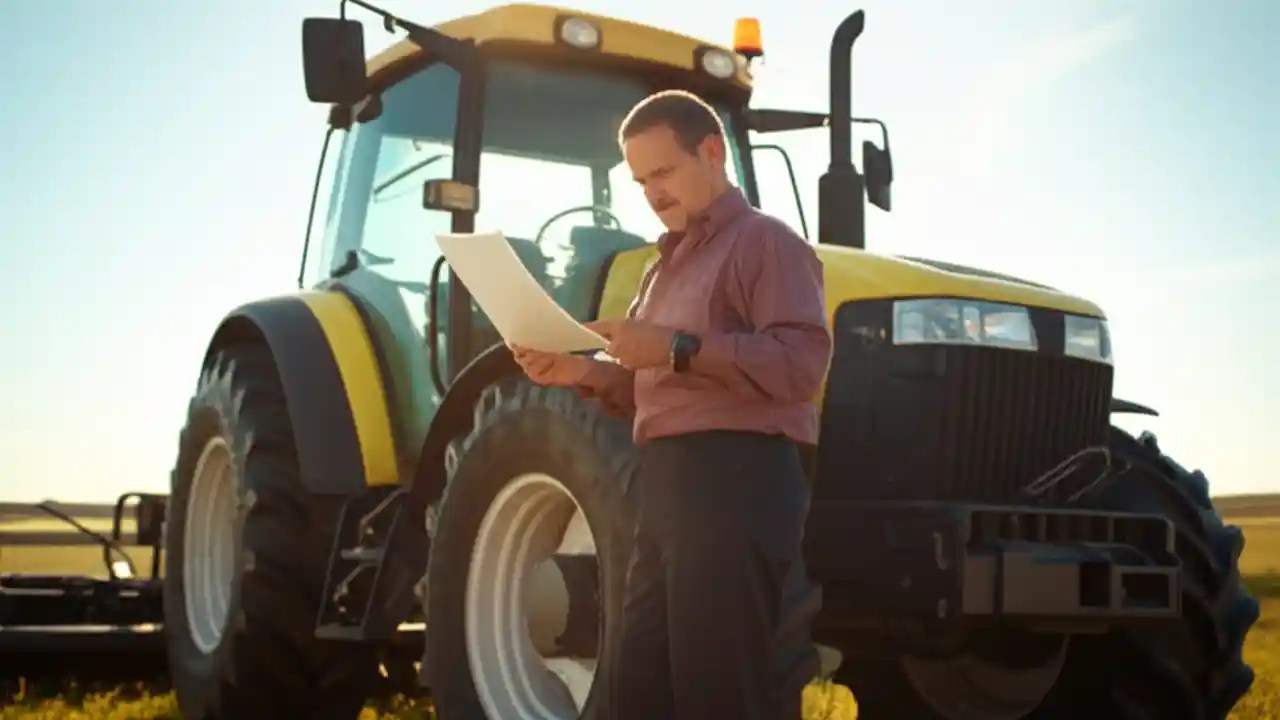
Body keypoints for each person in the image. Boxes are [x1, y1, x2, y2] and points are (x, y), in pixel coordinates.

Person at [509, 89, 833, 719]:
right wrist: (576, 369)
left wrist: (675, 345)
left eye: (663, 172)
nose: (652, 193)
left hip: (735, 480)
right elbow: (649, 384)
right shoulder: (661, 269)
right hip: (665, 488)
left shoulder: (767, 244)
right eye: (640, 180)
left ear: (711, 153)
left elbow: (800, 366)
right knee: (640, 690)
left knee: (719, 691)